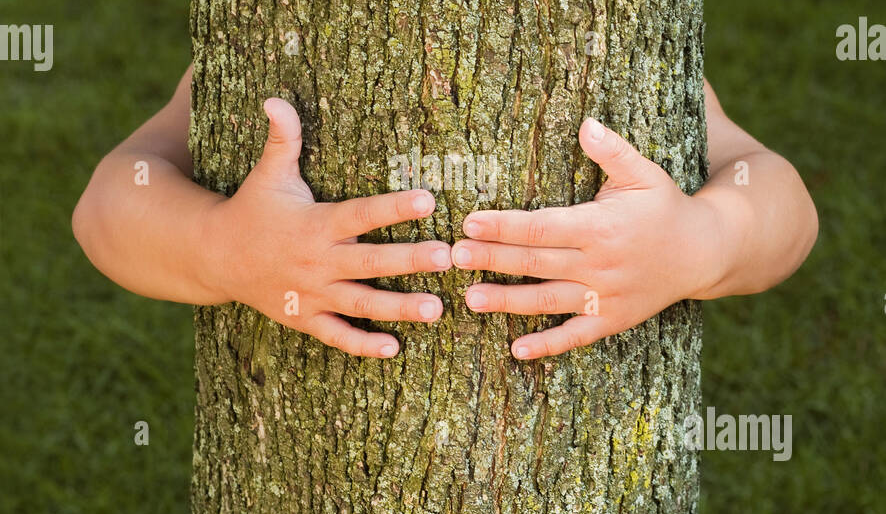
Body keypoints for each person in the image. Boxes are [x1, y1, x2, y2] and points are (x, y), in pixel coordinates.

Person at [72, 64, 818, 360]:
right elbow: (107, 205)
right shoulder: (246, 57)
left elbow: (778, 195)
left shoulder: (632, 58)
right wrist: (221, 247)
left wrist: (704, 239)